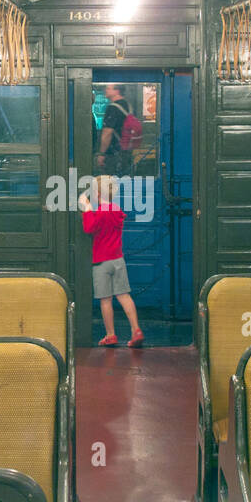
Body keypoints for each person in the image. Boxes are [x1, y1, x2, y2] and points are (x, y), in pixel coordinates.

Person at [79, 175, 143, 347]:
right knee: (124, 295)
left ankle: (110, 335)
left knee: (105, 299)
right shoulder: (117, 210)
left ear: (98, 194)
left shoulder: (99, 213)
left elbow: (89, 228)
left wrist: (86, 208)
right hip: (118, 259)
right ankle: (136, 330)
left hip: (102, 262)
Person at [95, 84, 135, 177]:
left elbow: (107, 133)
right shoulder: (128, 106)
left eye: (108, 88)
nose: (106, 90)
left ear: (117, 91)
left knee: (110, 185)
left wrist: (101, 154)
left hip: (113, 154)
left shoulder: (112, 108)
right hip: (126, 152)